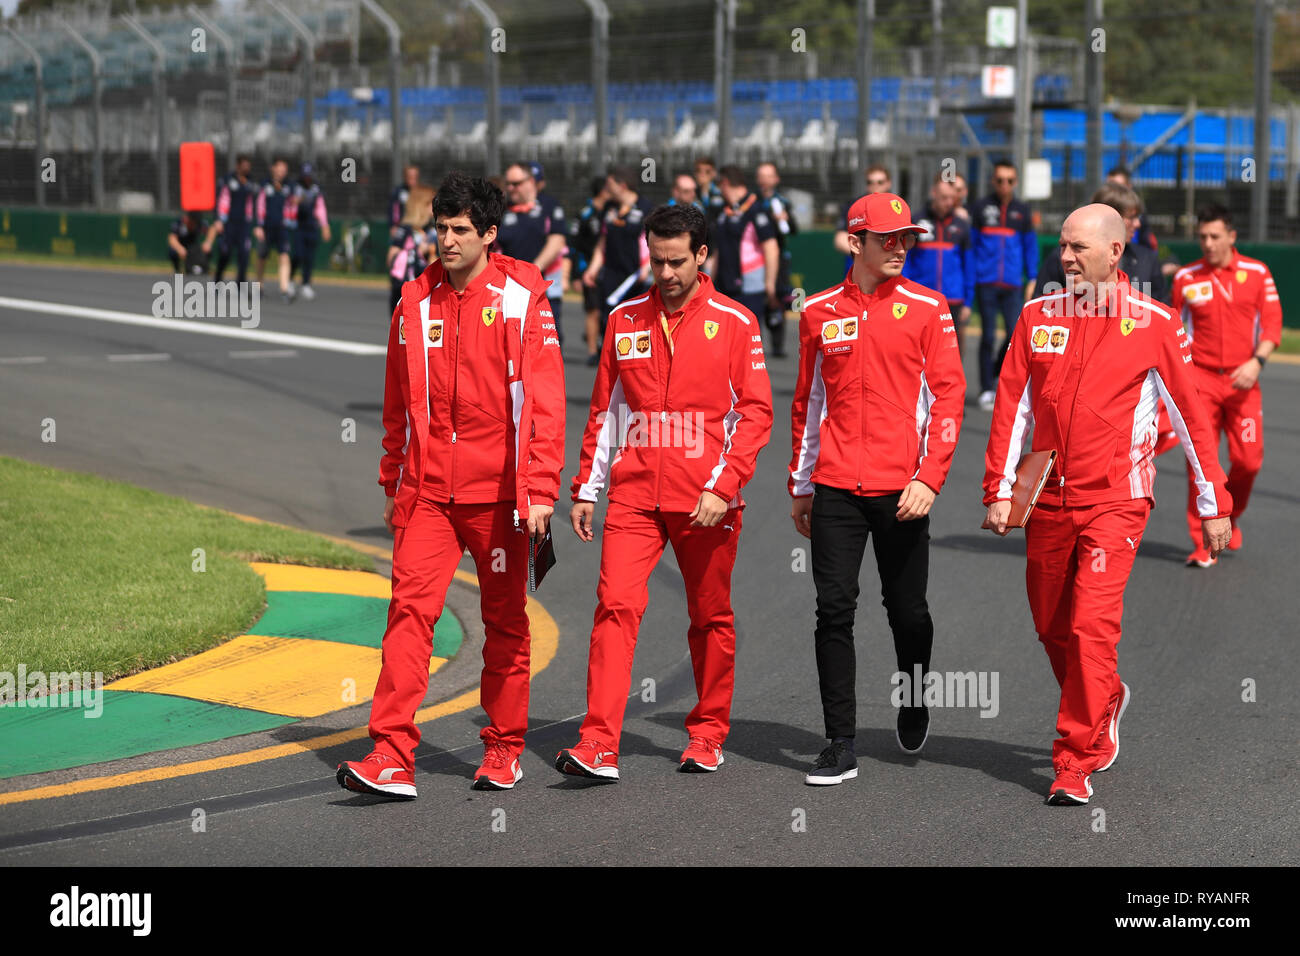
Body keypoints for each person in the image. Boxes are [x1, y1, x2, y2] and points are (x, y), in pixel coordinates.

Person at [981, 203, 1232, 806]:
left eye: (1080, 249)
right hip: (1046, 500)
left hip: (1117, 501)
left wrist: (1213, 500)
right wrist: (999, 489)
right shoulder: (1037, 315)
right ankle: (1104, 697)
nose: (1065, 258)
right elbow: (1012, 407)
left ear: (1116, 252)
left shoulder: (1154, 322)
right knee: (1050, 624)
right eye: (1063, 246)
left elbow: (1192, 417)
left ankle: (1077, 757)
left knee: (1091, 626)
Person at [336, 171, 565, 798]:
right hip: (429, 494)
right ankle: (390, 755)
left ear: (490, 233)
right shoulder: (413, 301)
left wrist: (541, 489)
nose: (447, 240)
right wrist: (392, 480)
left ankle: (503, 749)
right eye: (441, 228)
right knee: (408, 613)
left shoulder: (523, 300)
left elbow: (546, 404)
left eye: (461, 230)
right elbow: (394, 403)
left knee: (505, 621)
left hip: (499, 496)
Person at [559, 202, 773, 780]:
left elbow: (755, 415)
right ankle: (597, 742)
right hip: (633, 497)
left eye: (677, 261)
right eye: (657, 261)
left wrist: (723, 487)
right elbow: (605, 410)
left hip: (707, 501)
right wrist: (586, 486)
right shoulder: (624, 320)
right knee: (614, 609)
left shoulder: (735, 322)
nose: (667, 273)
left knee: (709, 617)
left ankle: (707, 734)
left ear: (702, 255)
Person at [789, 192, 966, 786]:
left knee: (908, 613)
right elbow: (808, 401)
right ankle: (839, 743)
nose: (898, 247)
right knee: (833, 609)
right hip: (836, 485)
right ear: (854, 241)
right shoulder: (815, 311)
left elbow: (949, 397)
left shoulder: (929, 307)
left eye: (905, 237)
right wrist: (801, 482)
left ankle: (914, 697)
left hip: (903, 489)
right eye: (885, 238)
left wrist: (929, 477)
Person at [1170, 203, 1281, 567]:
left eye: (1215, 236)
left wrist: (1256, 362)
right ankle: (1203, 542)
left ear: (1231, 237)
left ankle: (1228, 518)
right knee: (1200, 465)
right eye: (1202, 236)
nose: (1208, 243)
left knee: (1247, 460)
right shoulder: (1186, 277)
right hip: (1200, 381)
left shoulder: (1257, 272)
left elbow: (1272, 327)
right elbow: (1176, 333)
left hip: (1243, 380)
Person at [971, 159, 1038, 411]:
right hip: (986, 281)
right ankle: (986, 387)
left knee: (1012, 333)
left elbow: (1030, 247)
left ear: (1016, 182)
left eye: (1010, 180)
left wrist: (1031, 277)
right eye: (1000, 180)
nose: (1004, 185)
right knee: (987, 335)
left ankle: (999, 375)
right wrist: (976, 274)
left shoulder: (1022, 211)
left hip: (1012, 284)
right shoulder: (981, 208)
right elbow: (973, 245)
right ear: (993, 181)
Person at [1035, 183, 1167, 305]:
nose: (1137, 224)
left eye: (1079, 247)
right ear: (1110, 216)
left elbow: (1160, 308)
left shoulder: (1146, 259)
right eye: (1131, 217)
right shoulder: (1062, 259)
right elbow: (1043, 308)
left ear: (1115, 252)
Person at [706, 165, 780, 355]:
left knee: (747, 344)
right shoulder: (725, 212)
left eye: (720, 186)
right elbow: (718, 251)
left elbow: (771, 248)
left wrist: (770, 284)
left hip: (749, 288)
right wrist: (709, 283)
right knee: (721, 344)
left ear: (725, 183)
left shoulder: (756, 210)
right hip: (723, 285)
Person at [581, 166, 653, 353]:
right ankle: (610, 361)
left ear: (622, 185)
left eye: (609, 184)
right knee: (609, 321)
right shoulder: (609, 208)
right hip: (611, 275)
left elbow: (650, 241)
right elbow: (602, 242)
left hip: (635, 278)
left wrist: (646, 268)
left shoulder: (646, 208)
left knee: (636, 324)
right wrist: (592, 269)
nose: (606, 188)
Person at [903, 174, 975, 359]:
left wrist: (968, 301)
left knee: (953, 349)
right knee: (918, 348)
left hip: (953, 300)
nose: (949, 202)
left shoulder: (962, 225)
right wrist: (905, 292)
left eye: (952, 198)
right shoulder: (916, 222)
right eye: (944, 197)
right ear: (933, 193)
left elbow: (969, 265)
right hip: (921, 298)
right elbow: (907, 260)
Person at [496, 162, 568, 346]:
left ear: (530, 182)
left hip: (544, 286)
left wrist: (532, 270)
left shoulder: (548, 206)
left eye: (516, 183)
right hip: (509, 286)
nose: (511, 188)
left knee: (546, 339)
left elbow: (557, 241)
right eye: (508, 183)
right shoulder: (501, 209)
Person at [755, 161, 798, 358]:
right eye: (761, 175)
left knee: (777, 298)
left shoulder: (782, 202)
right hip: (755, 258)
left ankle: (778, 344)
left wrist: (785, 218)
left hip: (778, 258)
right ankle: (754, 342)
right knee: (755, 297)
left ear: (776, 179)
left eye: (768, 175)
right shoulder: (752, 202)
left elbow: (793, 230)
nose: (764, 179)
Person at [571, 176, 611, 366]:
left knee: (608, 311)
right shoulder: (585, 214)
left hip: (610, 270)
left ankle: (605, 346)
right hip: (589, 270)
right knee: (593, 310)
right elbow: (574, 246)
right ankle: (592, 351)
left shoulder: (613, 212)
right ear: (603, 191)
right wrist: (577, 275)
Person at [203, 153, 255, 283]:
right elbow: (220, 201)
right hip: (228, 223)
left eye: (248, 166)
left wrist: (250, 221)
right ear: (238, 166)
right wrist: (219, 220)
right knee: (225, 253)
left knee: (244, 254)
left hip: (243, 224)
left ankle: (241, 284)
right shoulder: (227, 180)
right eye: (244, 166)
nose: (246, 169)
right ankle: (217, 280)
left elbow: (251, 203)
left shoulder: (251, 182)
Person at [287, 163, 331, 302]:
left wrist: (324, 226)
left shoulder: (316, 188)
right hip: (297, 225)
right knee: (298, 254)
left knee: (309, 257)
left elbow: (320, 208)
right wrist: (295, 202)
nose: (307, 179)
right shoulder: (294, 187)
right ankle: (289, 279)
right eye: (305, 176)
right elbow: (288, 203)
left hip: (311, 225)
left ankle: (306, 283)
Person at [253, 156, 295, 301]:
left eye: (285, 170)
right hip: (266, 227)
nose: (282, 172)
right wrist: (258, 226)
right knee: (262, 257)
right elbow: (259, 205)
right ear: (273, 168)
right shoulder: (264, 185)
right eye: (280, 169)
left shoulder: (289, 186)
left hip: (282, 227)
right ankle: (259, 287)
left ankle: (284, 289)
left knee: (284, 256)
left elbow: (293, 203)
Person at [832, 164, 893, 258]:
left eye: (880, 182)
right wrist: (867, 255)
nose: (875, 186)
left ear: (888, 183)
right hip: (860, 266)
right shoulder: (854, 207)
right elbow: (840, 240)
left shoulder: (897, 207)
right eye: (870, 182)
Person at [387, 211, 434, 317]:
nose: (432, 209)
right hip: (407, 283)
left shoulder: (434, 229)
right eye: (429, 205)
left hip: (425, 286)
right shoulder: (406, 229)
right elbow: (391, 256)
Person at [389, 163, 422, 239]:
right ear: (405, 177)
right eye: (410, 177)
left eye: (414, 177)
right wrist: (394, 225)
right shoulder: (399, 192)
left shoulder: (421, 192)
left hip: (418, 228)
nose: (412, 179)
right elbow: (394, 209)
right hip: (402, 227)